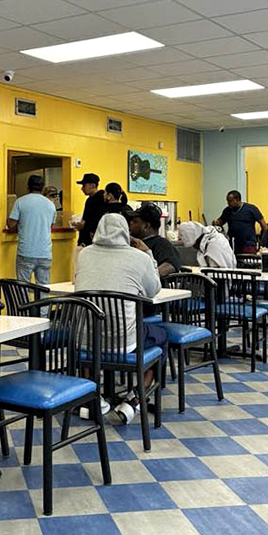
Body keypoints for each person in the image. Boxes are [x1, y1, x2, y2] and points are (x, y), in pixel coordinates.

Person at [75, 212, 165, 419]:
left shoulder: (85, 254)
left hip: (85, 340)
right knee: (161, 337)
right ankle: (136, 399)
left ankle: (93, 396)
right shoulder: (140, 257)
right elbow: (153, 290)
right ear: (126, 232)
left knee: (93, 334)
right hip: (124, 342)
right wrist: (149, 253)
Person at [6, 174, 56, 285]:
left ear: (27, 187)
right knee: (43, 288)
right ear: (42, 187)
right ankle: (43, 303)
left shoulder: (20, 201)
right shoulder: (51, 205)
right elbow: (50, 226)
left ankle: (25, 303)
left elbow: (11, 224)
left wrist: (19, 227)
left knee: (23, 288)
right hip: (45, 253)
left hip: (26, 252)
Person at [129, 203, 182, 277]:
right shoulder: (132, 243)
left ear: (146, 226)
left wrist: (150, 277)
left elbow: (170, 265)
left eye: (135, 221)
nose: (130, 223)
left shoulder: (162, 244)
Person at [213, 190, 266, 254]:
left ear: (237, 199)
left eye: (230, 201)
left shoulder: (251, 209)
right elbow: (220, 222)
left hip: (248, 245)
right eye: (227, 201)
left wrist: (262, 241)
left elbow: (264, 225)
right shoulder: (227, 210)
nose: (228, 203)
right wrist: (216, 222)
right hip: (232, 244)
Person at [74, 172, 106, 247]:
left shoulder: (101, 199)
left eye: (84, 185)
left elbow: (97, 220)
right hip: (85, 238)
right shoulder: (89, 200)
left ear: (92, 185)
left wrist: (84, 226)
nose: (82, 188)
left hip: (93, 240)